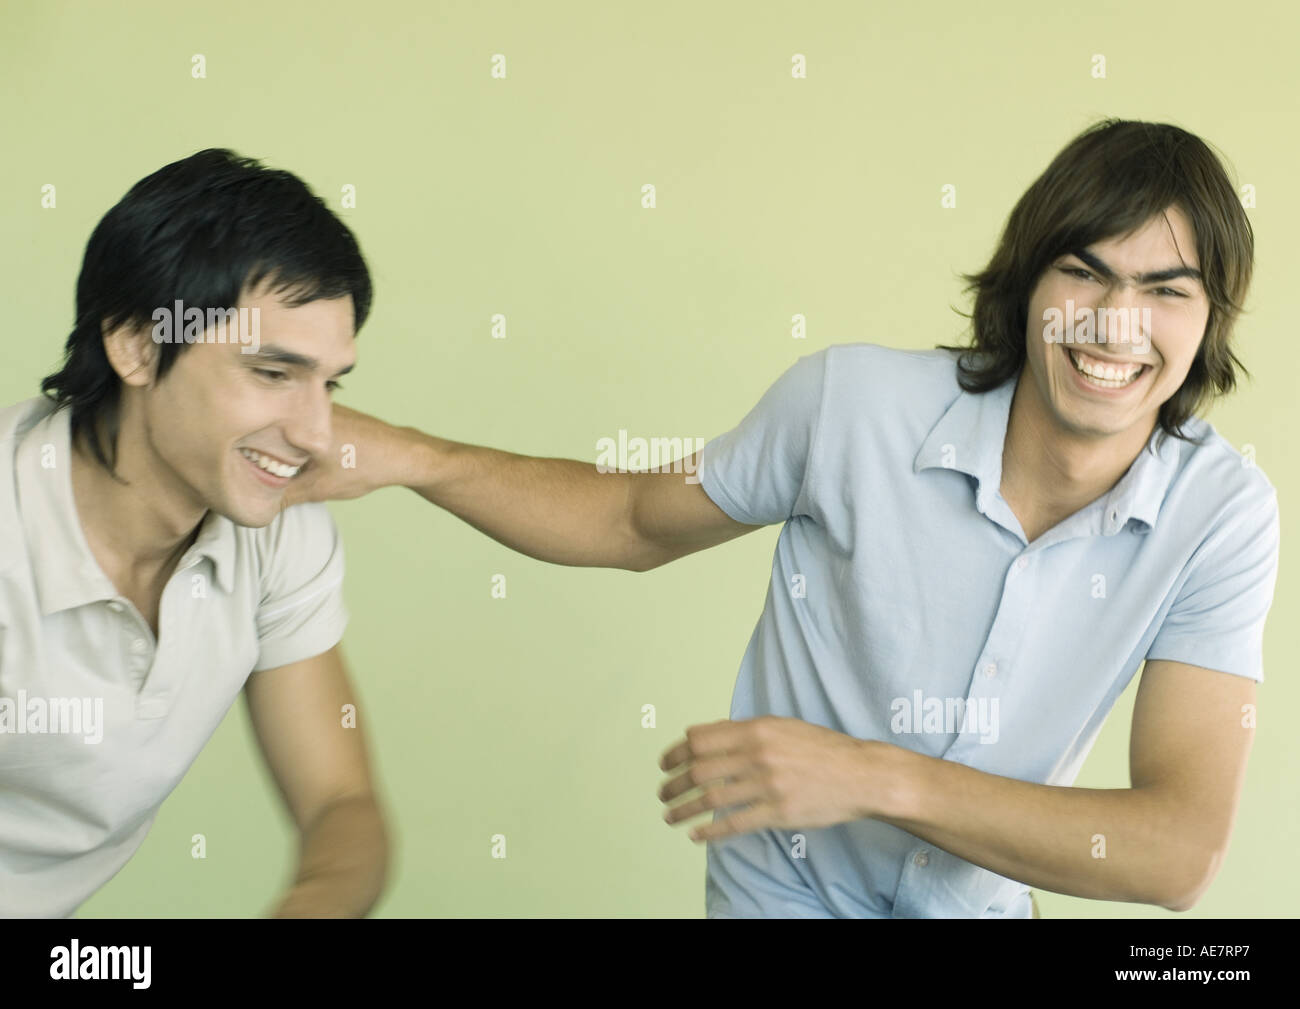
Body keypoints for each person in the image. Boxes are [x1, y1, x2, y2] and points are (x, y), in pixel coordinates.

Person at [282, 119, 1280, 918]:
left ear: (1209, 322)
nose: (1114, 322)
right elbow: (631, 518)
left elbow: (1176, 853)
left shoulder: (1222, 514)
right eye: (1085, 272)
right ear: (1030, 282)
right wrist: (413, 456)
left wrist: (872, 776)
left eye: (1163, 290)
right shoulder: (849, 405)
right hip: (783, 887)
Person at [0, 149, 389, 918]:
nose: (317, 434)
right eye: (274, 374)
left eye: (330, 382)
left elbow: (341, 802)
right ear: (136, 346)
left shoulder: (275, 526)